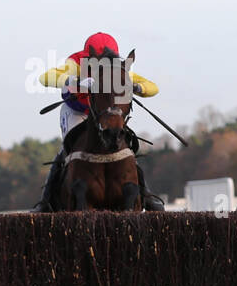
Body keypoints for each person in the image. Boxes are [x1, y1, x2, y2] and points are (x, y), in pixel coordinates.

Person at [32, 32, 164, 211]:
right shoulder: (75, 64)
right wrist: (75, 81)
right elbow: (44, 77)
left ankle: (146, 194)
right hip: (77, 111)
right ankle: (45, 201)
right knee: (69, 146)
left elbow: (153, 87)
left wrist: (136, 87)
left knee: (125, 146)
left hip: (106, 113)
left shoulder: (118, 69)